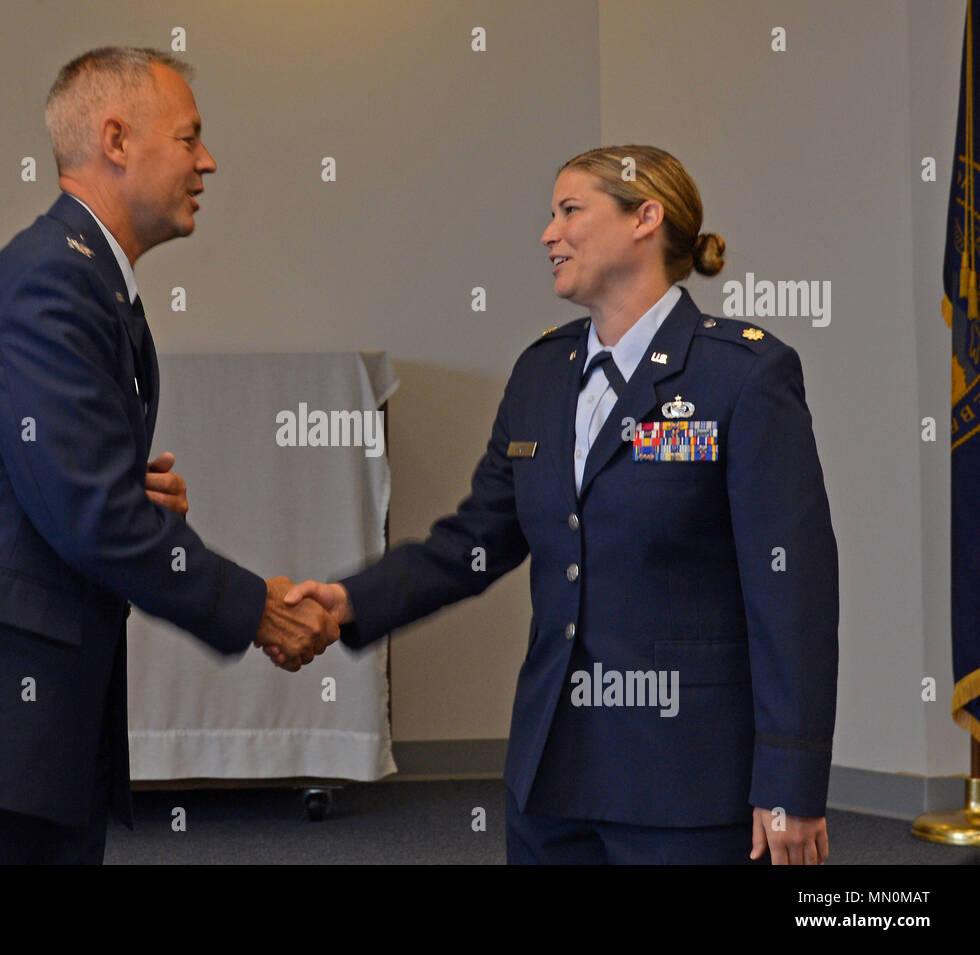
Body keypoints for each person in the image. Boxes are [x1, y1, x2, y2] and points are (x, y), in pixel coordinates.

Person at [0, 47, 338, 865]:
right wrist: (258, 607)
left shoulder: (84, 283)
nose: (207, 162)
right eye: (190, 138)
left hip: (12, 739)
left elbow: (61, 488)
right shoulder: (53, 286)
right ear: (115, 138)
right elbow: (92, 518)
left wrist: (121, 494)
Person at [280, 145, 839, 865]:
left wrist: (792, 779)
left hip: (688, 778)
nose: (549, 234)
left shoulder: (745, 376)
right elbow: (474, 540)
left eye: (570, 210)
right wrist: (348, 601)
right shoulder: (542, 374)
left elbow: (791, 592)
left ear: (646, 217)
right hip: (552, 771)